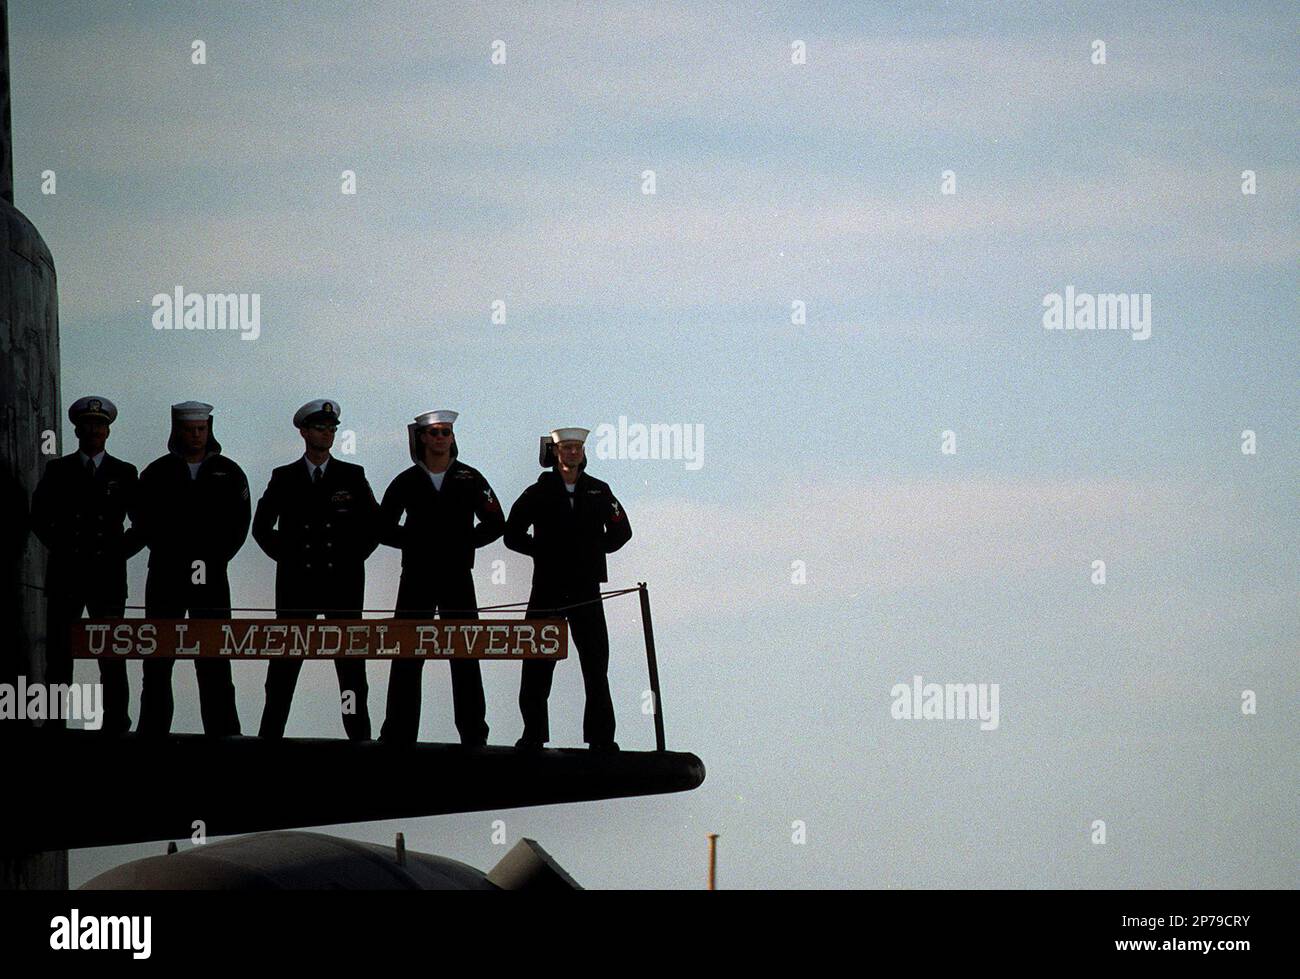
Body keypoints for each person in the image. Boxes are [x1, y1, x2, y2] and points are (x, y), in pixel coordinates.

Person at [254, 400, 379, 740]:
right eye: (321, 428)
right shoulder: (284, 477)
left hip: (343, 584)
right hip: (298, 584)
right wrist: (290, 557)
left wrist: (350, 559)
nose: (327, 434)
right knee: (284, 667)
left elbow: (373, 526)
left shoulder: (352, 476)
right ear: (304, 432)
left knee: (351, 671)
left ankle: (360, 740)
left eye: (332, 429)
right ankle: (269, 739)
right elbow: (262, 528)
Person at [378, 410, 504, 745]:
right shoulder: (406, 481)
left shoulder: (470, 478)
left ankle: (474, 733)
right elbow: (382, 526)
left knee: (464, 651)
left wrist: (464, 543)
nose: (440, 438)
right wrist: (414, 542)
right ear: (421, 437)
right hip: (416, 576)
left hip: (457, 576)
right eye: (433, 433)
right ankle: (398, 734)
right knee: (407, 653)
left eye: (445, 432)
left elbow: (496, 521)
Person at [505, 427, 631, 751]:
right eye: (566, 448)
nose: (572, 453)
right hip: (547, 586)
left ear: (583, 451)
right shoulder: (538, 492)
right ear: (556, 452)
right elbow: (512, 533)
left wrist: (593, 550)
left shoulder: (598, 491)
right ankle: (533, 734)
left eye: (577, 447)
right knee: (536, 663)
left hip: (585, 589)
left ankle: (602, 738)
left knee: (595, 664)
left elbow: (622, 531)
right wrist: (542, 551)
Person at [135, 402, 249, 736]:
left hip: (212, 577)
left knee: (214, 659)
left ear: (209, 429)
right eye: (189, 429)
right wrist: (173, 554)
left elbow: (239, 524)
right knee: (157, 659)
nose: (196, 436)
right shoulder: (156, 473)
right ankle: (152, 732)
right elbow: (144, 521)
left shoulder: (229, 472)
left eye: (201, 429)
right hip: (165, 575)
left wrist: (214, 559)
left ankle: (224, 733)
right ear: (177, 430)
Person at [30, 396, 143, 733]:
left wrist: (115, 552)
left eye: (99, 425)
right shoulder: (59, 470)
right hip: (67, 573)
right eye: (88, 425)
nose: (94, 430)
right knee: (59, 656)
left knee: (111, 655)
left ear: (108, 430)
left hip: (107, 576)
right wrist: (65, 548)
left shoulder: (124, 473)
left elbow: (142, 525)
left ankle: (116, 723)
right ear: (77, 429)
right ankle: (54, 723)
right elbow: (39, 517)